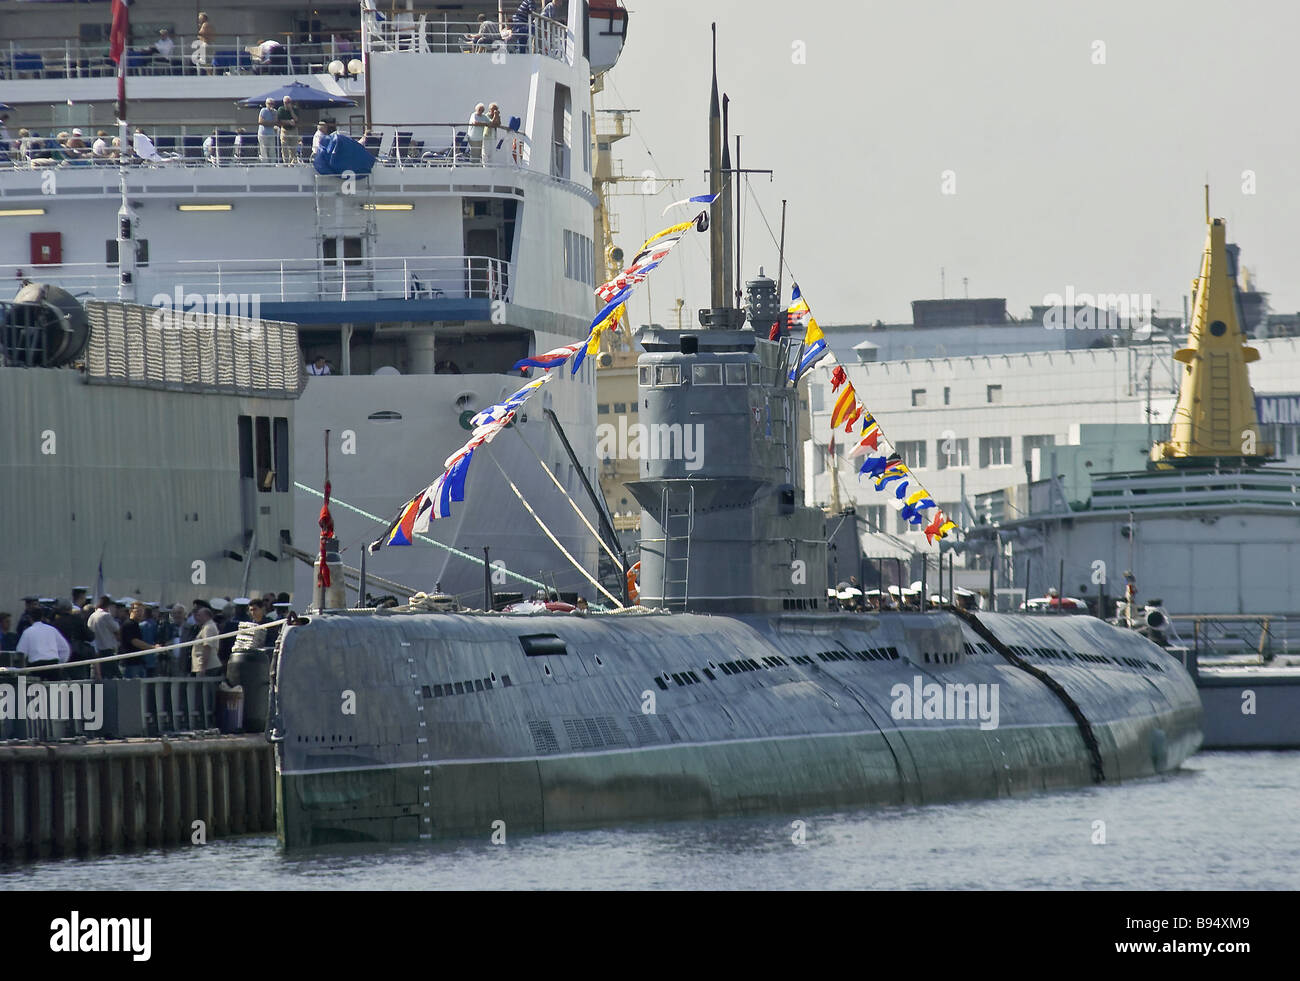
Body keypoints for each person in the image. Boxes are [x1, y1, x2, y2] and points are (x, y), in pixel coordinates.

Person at [16, 606, 70, 673]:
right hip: (53, 665)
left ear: (30, 618)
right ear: (42, 617)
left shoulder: (27, 632)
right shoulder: (52, 630)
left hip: (36, 667)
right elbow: (65, 648)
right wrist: (61, 663)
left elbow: (21, 652)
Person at [87, 595, 121, 679]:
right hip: (107, 648)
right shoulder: (106, 616)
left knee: (100, 674)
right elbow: (116, 628)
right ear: (108, 606)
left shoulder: (92, 616)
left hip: (96, 649)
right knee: (113, 675)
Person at [191, 607, 222, 677]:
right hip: (207, 666)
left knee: (205, 688)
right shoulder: (207, 626)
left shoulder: (208, 628)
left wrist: (203, 667)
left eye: (199, 615)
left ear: (206, 616)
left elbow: (207, 647)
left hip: (208, 667)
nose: (197, 617)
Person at [277, 96, 299, 163]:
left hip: (294, 130)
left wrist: (291, 110)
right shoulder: (281, 109)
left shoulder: (295, 109)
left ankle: (292, 162)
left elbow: (296, 119)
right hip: (284, 130)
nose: (287, 104)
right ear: (283, 103)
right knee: (284, 147)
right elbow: (279, 120)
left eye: (289, 102)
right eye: (286, 102)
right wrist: (288, 122)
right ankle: (286, 162)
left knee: (293, 148)